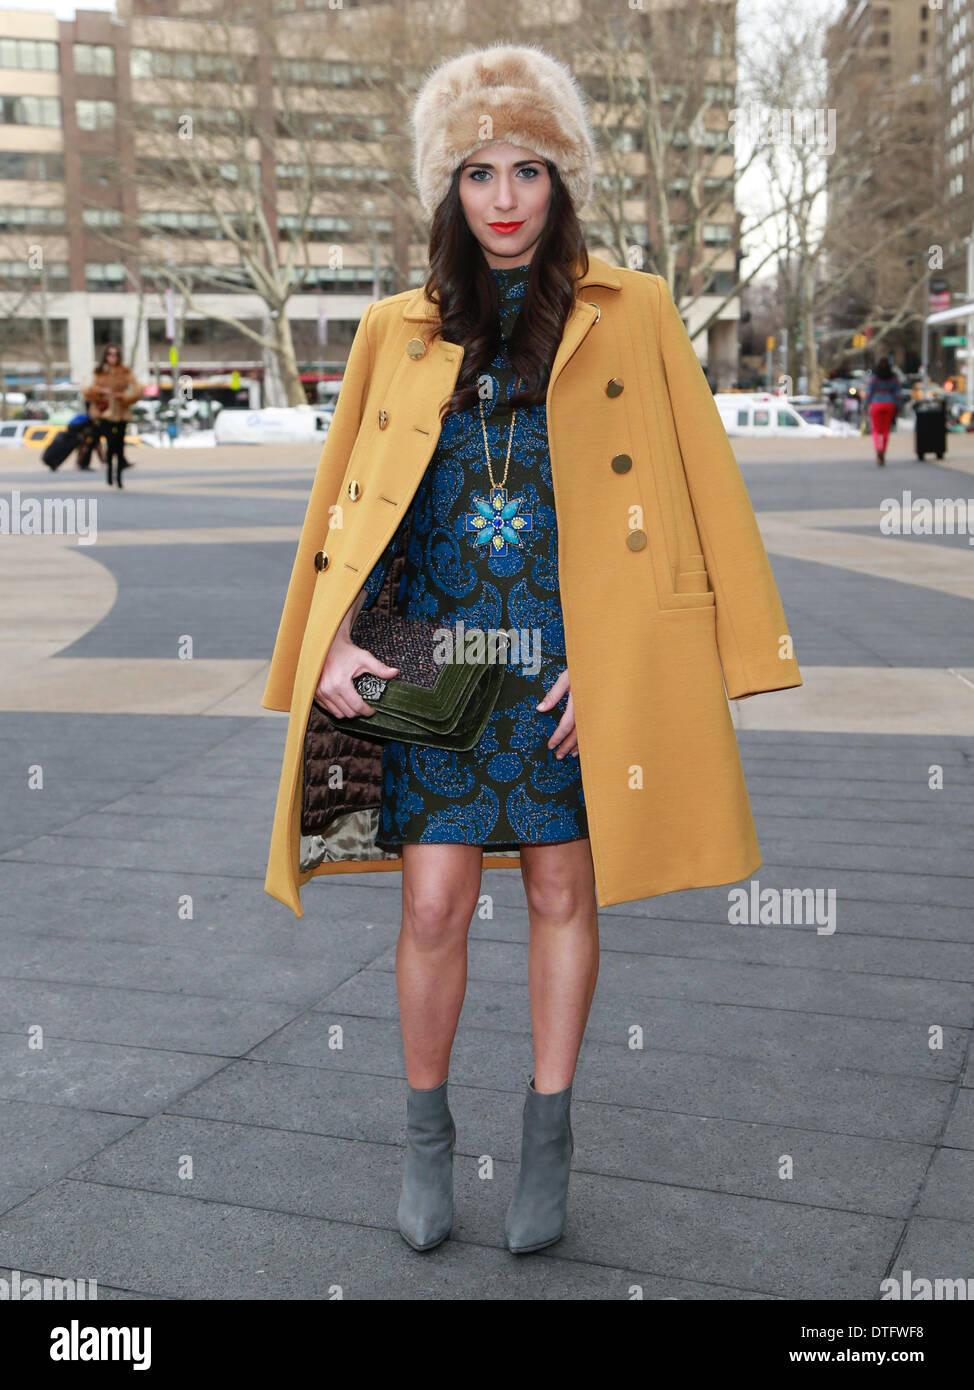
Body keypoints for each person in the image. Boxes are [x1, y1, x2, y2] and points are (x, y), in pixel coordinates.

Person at [261, 43, 803, 1257]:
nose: (503, 199)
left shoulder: (636, 308)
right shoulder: (396, 328)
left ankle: (549, 1130)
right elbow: (347, 498)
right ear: (444, 189)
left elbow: (700, 490)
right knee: (435, 898)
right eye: (475, 173)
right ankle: (423, 1136)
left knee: (563, 885)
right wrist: (334, 636)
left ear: (562, 181)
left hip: (568, 656)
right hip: (434, 652)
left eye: (527, 170)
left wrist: (650, 661)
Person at [82, 344, 142, 487]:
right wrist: (101, 391)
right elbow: (86, 390)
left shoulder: (125, 371)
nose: (112, 357)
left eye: (115, 354)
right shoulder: (98, 372)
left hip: (121, 412)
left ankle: (119, 476)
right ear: (105, 356)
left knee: (120, 443)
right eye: (110, 354)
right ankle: (109, 473)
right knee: (110, 442)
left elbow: (137, 390)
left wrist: (123, 396)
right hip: (104, 412)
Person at [864, 356, 903, 465]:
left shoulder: (874, 377)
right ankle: (884, 450)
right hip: (889, 404)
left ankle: (878, 449)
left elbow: (868, 393)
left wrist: (865, 405)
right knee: (886, 430)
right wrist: (899, 407)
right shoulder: (893, 378)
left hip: (876, 404)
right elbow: (898, 394)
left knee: (876, 430)